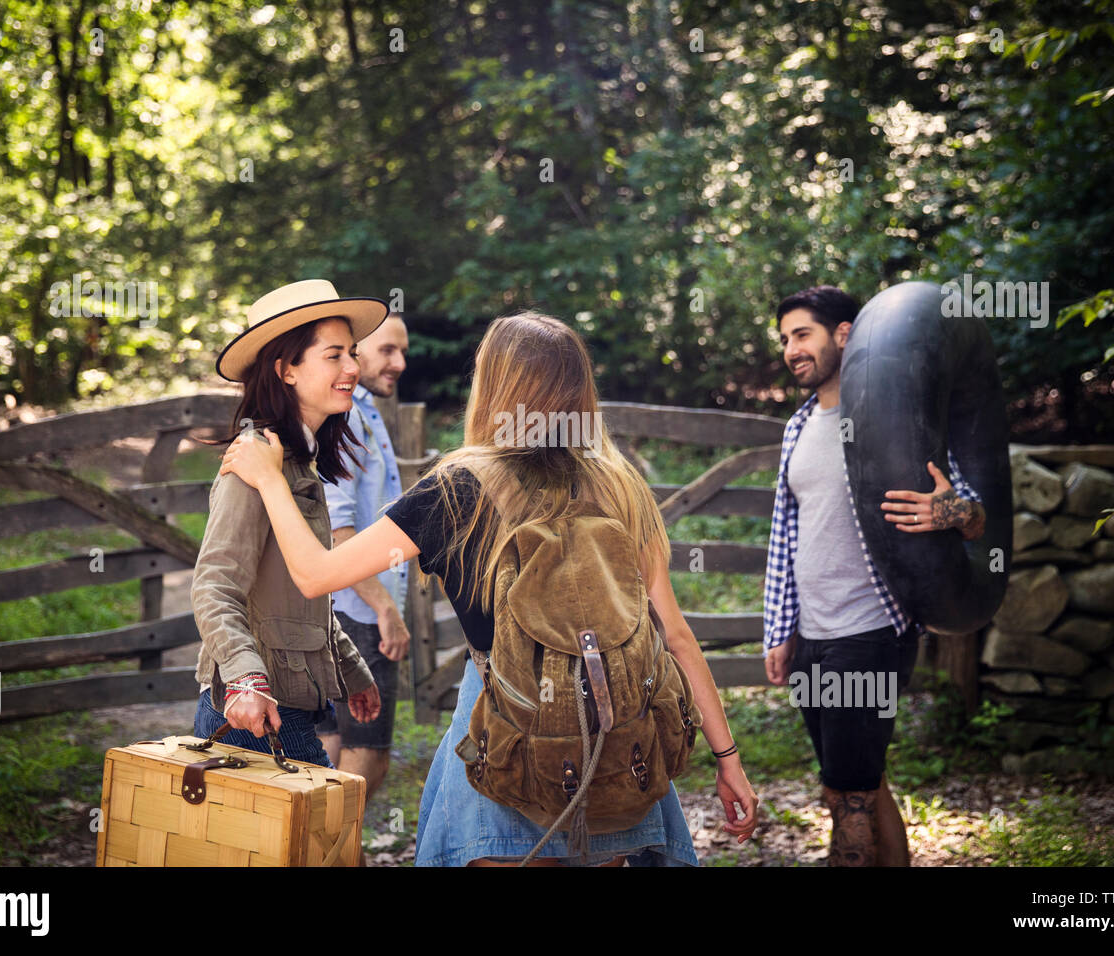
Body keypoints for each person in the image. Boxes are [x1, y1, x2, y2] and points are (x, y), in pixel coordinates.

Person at [220, 311, 760, 866]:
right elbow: (674, 635)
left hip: (506, 740)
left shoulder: (459, 489)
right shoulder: (621, 485)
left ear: (494, 386)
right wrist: (729, 759)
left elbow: (315, 575)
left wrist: (267, 479)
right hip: (618, 745)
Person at [762, 285, 986, 866]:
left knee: (849, 795)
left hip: (872, 632)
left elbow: (978, 512)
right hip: (813, 635)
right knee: (862, 780)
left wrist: (953, 511)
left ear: (843, 335)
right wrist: (780, 631)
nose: (791, 350)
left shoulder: (898, 420)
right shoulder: (796, 427)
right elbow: (786, 536)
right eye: (785, 339)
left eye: (802, 334)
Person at [191, 278, 384, 767]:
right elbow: (214, 585)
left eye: (353, 354)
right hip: (256, 713)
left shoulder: (297, 463)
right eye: (334, 355)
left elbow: (300, 590)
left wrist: (352, 670)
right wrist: (245, 680)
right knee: (321, 840)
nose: (353, 368)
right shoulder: (254, 462)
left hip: (288, 706)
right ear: (286, 370)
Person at [317, 313, 411, 802]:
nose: (398, 363)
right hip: (356, 610)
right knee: (365, 756)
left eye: (402, 352)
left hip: (348, 605)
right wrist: (384, 608)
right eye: (387, 351)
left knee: (332, 748)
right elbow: (338, 528)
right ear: (355, 351)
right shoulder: (349, 417)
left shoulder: (364, 412)